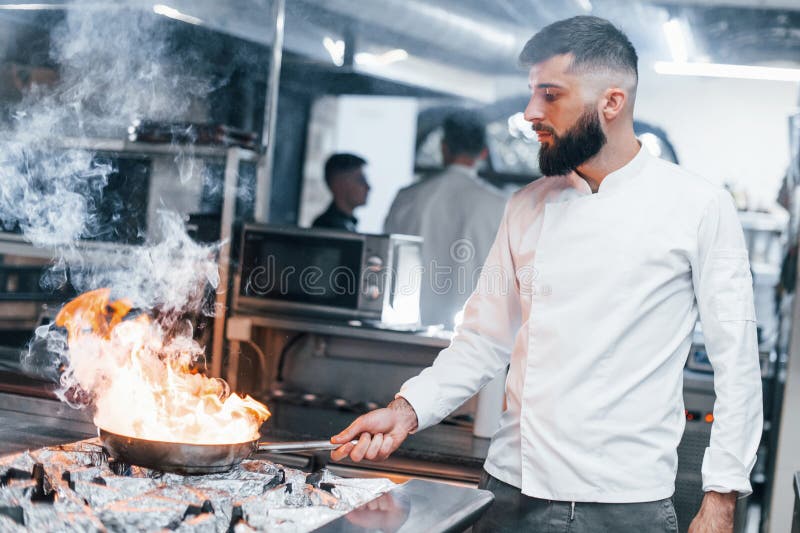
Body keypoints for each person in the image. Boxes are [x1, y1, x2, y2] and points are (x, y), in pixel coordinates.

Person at [330, 16, 762, 533]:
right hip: (511, 492)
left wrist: (721, 498)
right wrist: (406, 409)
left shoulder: (699, 207)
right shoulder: (526, 206)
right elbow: (482, 340)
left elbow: (737, 364)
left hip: (626, 507)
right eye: (532, 93)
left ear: (612, 102)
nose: (532, 112)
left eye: (550, 95)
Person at [384, 113, 507, 328]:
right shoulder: (499, 205)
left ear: (443, 148)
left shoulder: (407, 198)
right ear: (483, 153)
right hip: (473, 334)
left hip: (405, 328)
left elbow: (384, 259)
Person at [312, 153, 370, 231]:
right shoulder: (327, 228)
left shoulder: (346, 225)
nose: (368, 187)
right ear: (339, 184)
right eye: (360, 180)